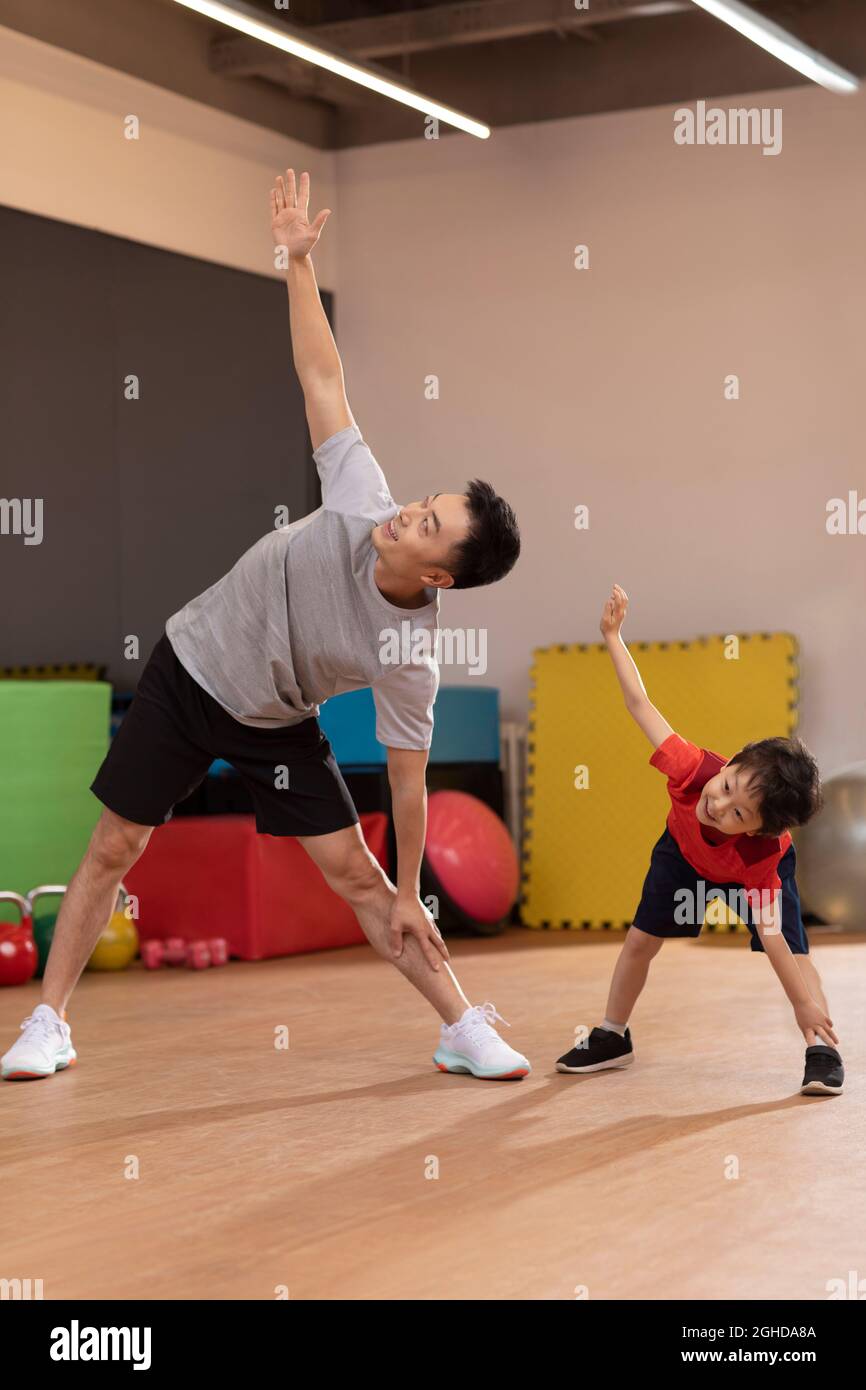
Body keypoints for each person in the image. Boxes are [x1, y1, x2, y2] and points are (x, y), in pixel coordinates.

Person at [2, 171, 529, 1084]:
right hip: (190, 670)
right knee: (114, 844)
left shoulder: (410, 655)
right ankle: (47, 1023)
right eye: (424, 501)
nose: (406, 512)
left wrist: (410, 890)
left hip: (274, 722)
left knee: (361, 879)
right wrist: (297, 261)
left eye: (429, 525)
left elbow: (409, 782)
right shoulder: (361, 495)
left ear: (440, 576)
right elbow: (322, 373)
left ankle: (460, 1027)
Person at [555, 584, 844, 1097]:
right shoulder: (692, 770)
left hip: (738, 873)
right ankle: (612, 1035)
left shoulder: (762, 858)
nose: (718, 804)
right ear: (728, 763)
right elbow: (640, 704)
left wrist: (799, 1004)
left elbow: (772, 938)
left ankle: (821, 1049)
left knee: (797, 955)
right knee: (641, 941)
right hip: (682, 856)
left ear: (756, 829)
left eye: (738, 813)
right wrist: (613, 636)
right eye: (727, 786)